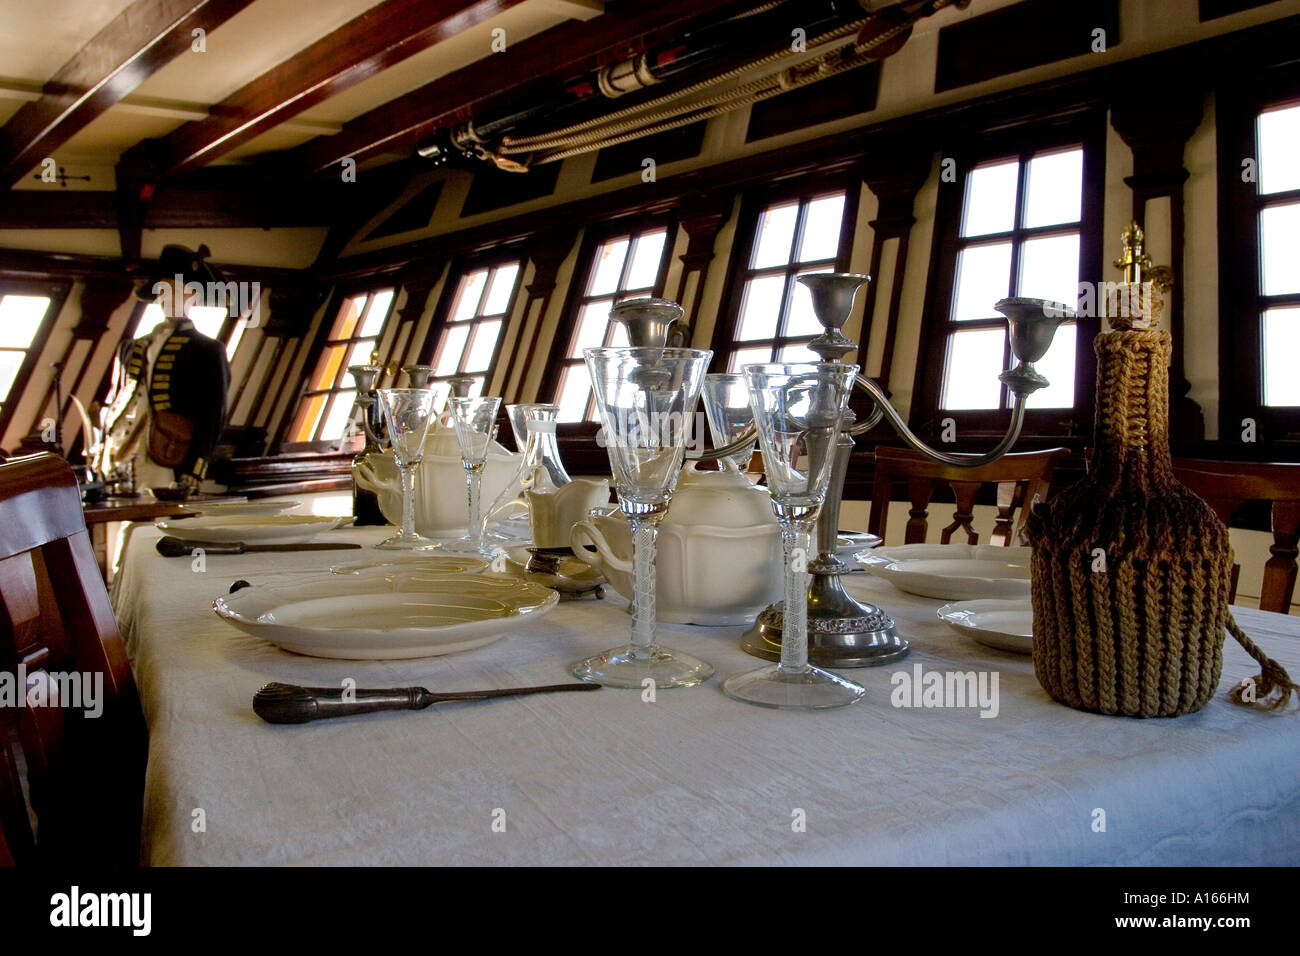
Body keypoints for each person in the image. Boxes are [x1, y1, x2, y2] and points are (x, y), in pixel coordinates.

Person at [100, 245, 231, 495]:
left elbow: (213, 415)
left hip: (168, 452)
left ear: (193, 295)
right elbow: (116, 400)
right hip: (121, 453)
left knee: (154, 526)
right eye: (163, 290)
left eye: (176, 290)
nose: (167, 297)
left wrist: (195, 468)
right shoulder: (131, 347)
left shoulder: (206, 350)